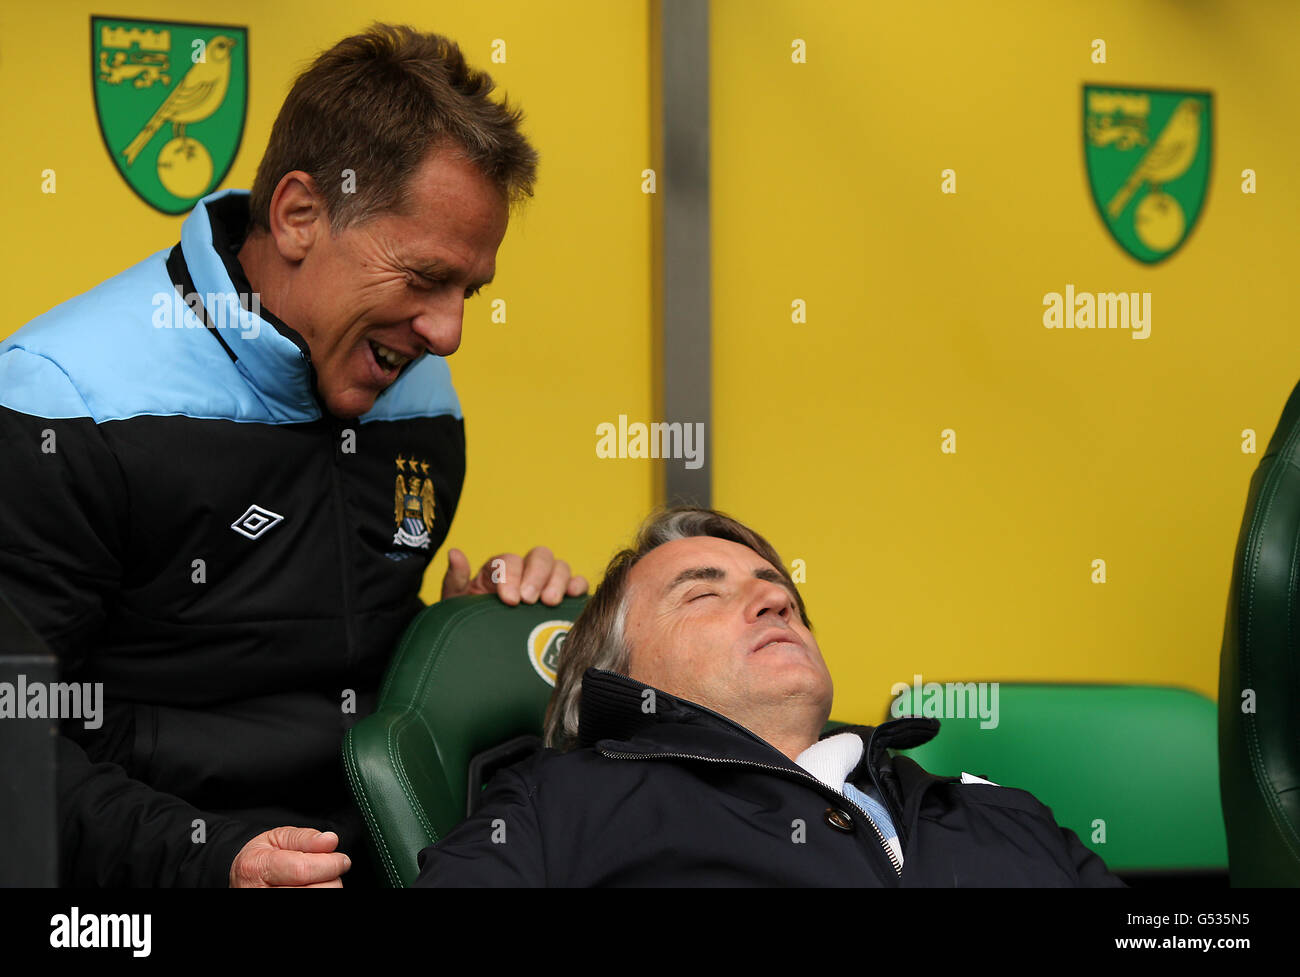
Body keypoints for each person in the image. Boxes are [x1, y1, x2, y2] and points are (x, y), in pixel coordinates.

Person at [0, 24, 586, 888]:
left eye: (469, 290)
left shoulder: (415, 396)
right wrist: (211, 861)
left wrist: (452, 635)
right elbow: (14, 746)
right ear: (300, 215)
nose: (449, 332)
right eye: (424, 277)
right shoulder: (62, 398)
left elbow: (340, 665)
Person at [413, 506, 1125, 886]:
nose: (774, 600)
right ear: (620, 674)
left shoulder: (992, 806)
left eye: (778, 589)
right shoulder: (557, 803)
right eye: (704, 590)